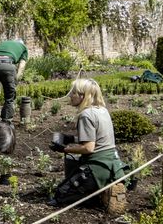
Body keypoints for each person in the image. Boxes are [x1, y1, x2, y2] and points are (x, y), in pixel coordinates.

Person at [48, 78, 126, 207]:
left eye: (73, 93)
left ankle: (95, 195)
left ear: (82, 96)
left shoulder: (86, 115)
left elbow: (89, 148)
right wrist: (71, 139)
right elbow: (98, 138)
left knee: (61, 194)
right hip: (113, 165)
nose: (70, 96)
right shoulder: (102, 110)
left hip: (98, 167)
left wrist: (63, 149)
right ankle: (98, 192)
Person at [0, 39, 28, 124]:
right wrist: (16, 79)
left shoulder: (2, 44)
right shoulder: (23, 47)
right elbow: (22, 66)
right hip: (7, 64)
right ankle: (6, 122)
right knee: (9, 97)